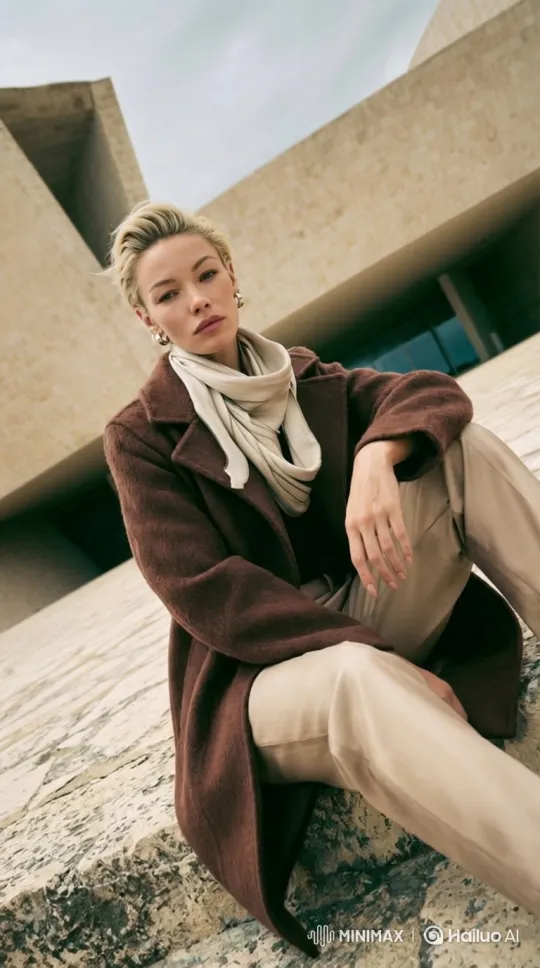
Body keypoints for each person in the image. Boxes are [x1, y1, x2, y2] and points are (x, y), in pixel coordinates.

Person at [102, 200, 540, 958]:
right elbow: (205, 590)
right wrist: (372, 653)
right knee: (355, 680)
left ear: (233, 279)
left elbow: (431, 395)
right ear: (149, 317)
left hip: (359, 612)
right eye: (169, 292)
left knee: (464, 448)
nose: (197, 298)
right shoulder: (139, 436)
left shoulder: (299, 375)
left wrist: (378, 456)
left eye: (207, 275)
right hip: (258, 678)